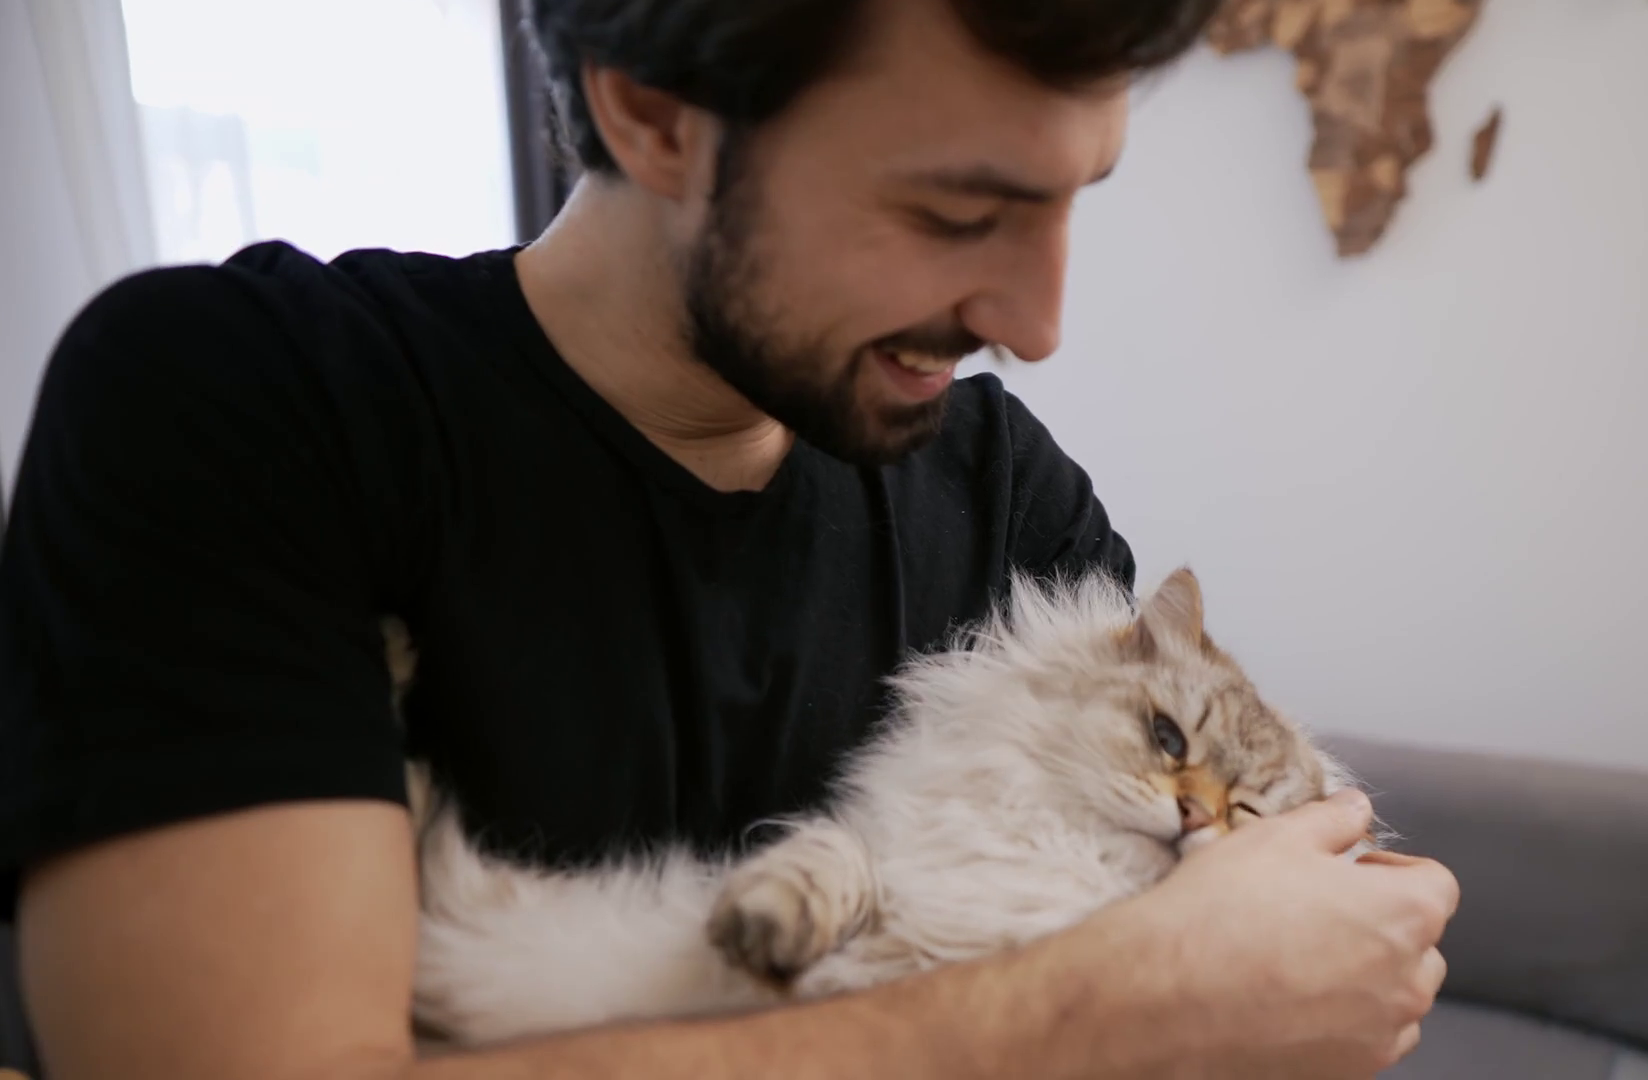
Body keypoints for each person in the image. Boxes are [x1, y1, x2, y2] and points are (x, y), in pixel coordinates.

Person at [0, 0, 1459, 1076]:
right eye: (958, 211)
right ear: (652, 117)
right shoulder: (243, 404)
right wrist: (1101, 1016)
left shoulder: (1012, 504)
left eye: (1078, 201)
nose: (1038, 325)